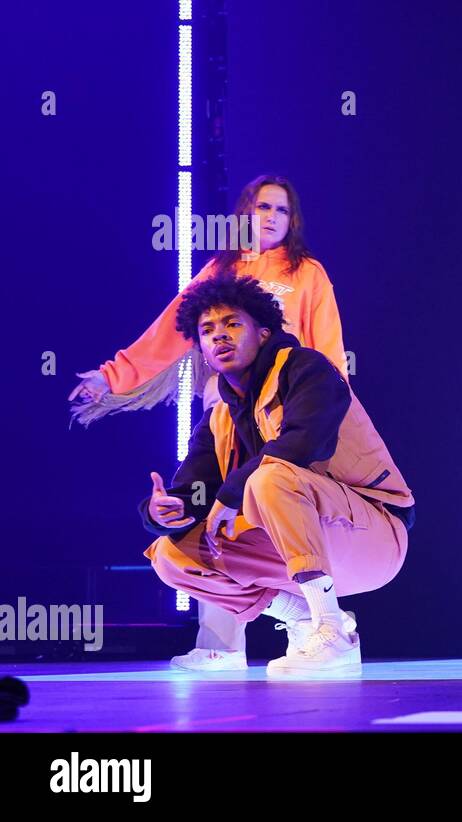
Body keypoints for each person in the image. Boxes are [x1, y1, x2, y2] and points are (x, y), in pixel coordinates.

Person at [69, 174, 347, 671]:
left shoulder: (308, 273)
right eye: (262, 207)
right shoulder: (220, 270)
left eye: (282, 211)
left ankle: (320, 628)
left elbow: (326, 351)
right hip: (226, 406)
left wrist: (331, 413)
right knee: (209, 511)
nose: (271, 217)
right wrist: (112, 377)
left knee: (275, 511)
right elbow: (169, 330)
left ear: (293, 220)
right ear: (244, 213)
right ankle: (223, 642)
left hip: (284, 413)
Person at [141, 273, 413, 677]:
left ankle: (331, 631)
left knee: (270, 478)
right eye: (208, 330)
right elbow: (195, 494)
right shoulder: (219, 416)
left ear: (264, 331)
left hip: (373, 535)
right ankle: (307, 616)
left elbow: (305, 443)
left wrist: (232, 493)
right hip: (301, 544)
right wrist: (164, 510)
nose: (219, 337)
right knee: (172, 555)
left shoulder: (307, 368)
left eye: (232, 323)